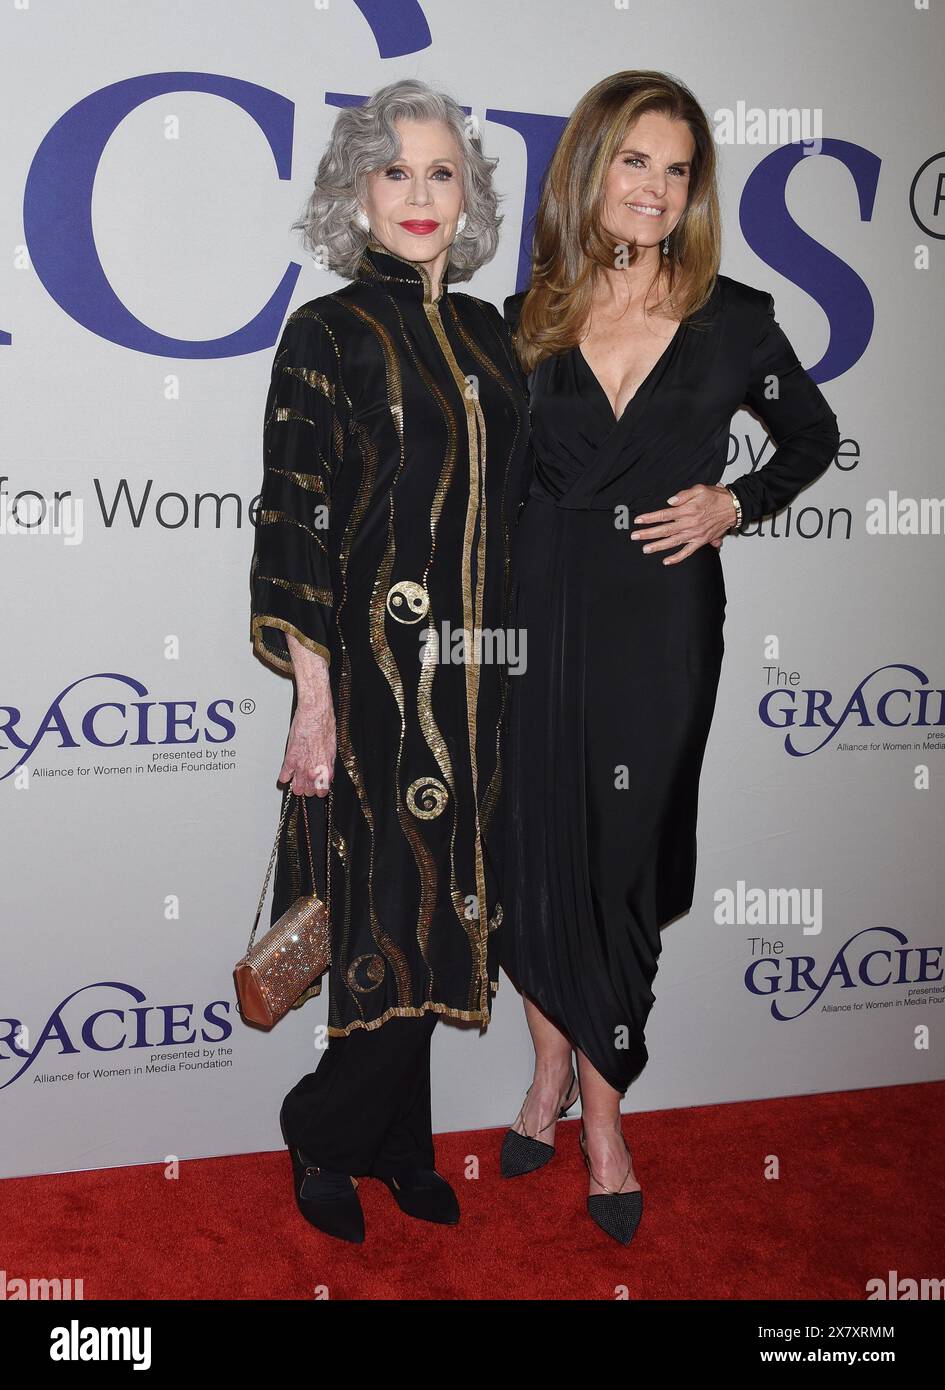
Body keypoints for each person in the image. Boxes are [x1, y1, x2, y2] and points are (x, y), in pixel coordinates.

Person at [500, 70, 840, 1245]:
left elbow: (813, 434)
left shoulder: (736, 316)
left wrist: (736, 503)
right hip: (535, 615)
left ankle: (605, 1120)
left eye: (677, 168)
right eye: (634, 161)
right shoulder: (529, 314)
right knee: (532, 861)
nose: (653, 187)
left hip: (660, 624)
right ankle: (550, 1079)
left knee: (620, 873)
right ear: (591, 170)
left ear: (695, 190)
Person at [249, 78, 530, 1243]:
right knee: (377, 908)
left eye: (442, 171)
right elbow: (295, 519)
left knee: (451, 907)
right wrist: (311, 700)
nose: (421, 195)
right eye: (395, 171)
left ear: (469, 195)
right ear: (355, 195)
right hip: (371, 680)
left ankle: (397, 1145)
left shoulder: (489, 331)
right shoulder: (325, 332)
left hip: (483, 680)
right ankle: (323, 1129)